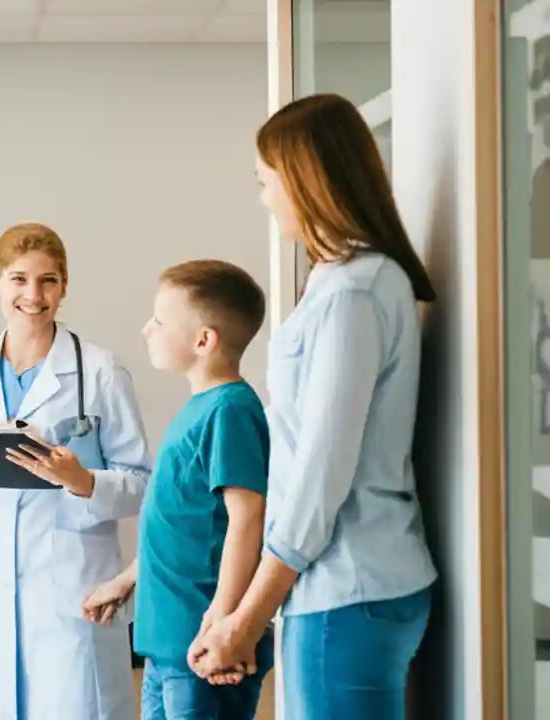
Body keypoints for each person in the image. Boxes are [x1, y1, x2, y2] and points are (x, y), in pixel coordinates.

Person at [187, 93, 438, 720]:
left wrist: (249, 616)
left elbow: (320, 476)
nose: (265, 199)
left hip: (345, 589)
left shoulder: (355, 292)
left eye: (266, 182)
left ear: (304, 181)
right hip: (344, 587)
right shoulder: (339, 280)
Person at [0, 222, 151, 720]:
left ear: (65, 285)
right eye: (18, 279)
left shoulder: (99, 371)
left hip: (71, 575)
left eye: (48, 280)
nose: (34, 294)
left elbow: (139, 485)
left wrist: (82, 481)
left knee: (73, 700)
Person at [82, 260, 273, 720]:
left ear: (203, 340)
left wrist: (226, 620)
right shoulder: (199, 408)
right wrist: (125, 581)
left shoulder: (230, 411)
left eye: (159, 320)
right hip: (166, 639)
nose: (146, 329)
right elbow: (181, 523)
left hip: (201, 644)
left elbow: (248, 518)